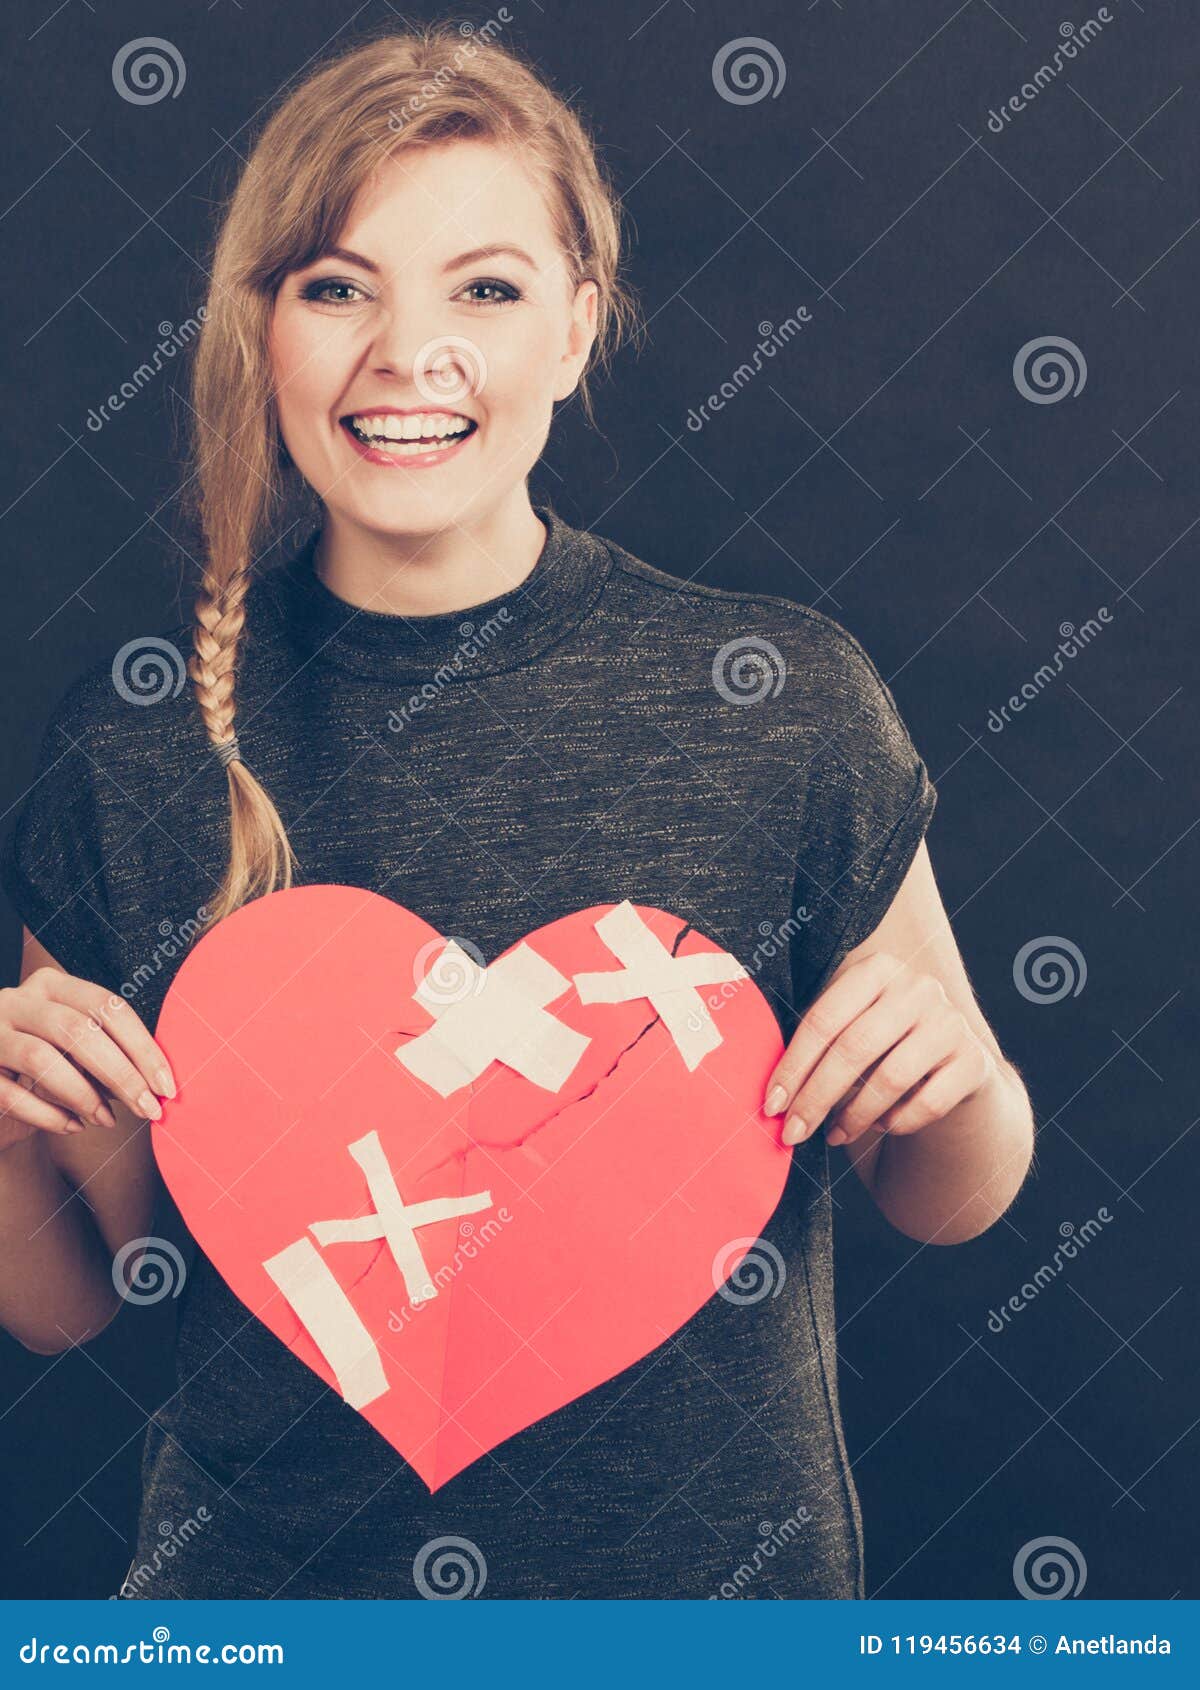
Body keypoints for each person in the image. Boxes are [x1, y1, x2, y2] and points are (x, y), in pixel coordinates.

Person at [0, 26, 1034, 1600]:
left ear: (576, 328)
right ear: (260, 328)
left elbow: (953, 1193)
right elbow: (71, 1301)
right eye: (338, 285)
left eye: (483, 288)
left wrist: (960, 1086)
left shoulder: (782, 702)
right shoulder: (136, 747)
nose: (410, 354)